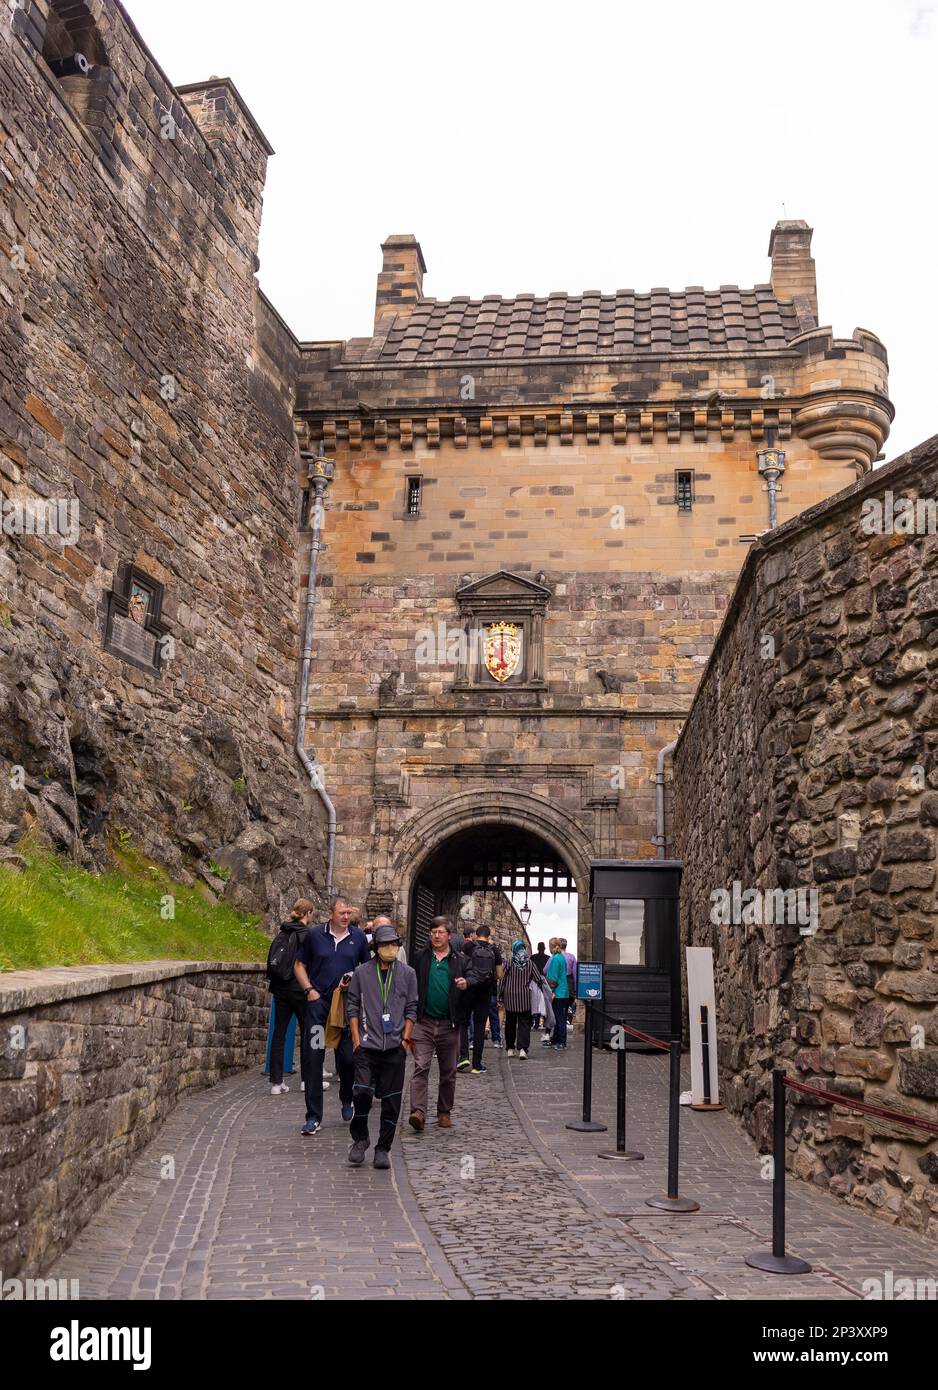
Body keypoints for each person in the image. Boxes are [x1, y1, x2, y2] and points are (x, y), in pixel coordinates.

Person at [293, 895, 370, 1136]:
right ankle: (313, 1117)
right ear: (331, 914)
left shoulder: (357, 937)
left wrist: (354, 982)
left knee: (347, 1059)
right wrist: (309, 990)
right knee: (314, 1058)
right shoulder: (314, 935)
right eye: (342, 913)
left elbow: (367, 968)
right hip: (319, 1006)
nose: (346, 917)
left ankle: (346, 1098)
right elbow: (298, 965)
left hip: (345, 1007)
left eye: (349, 913)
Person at [346, 922, 418, 1169]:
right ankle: (360, 1138)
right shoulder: (362, 973)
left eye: (394, 944)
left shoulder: (408, 974)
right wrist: (356, 1040)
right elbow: (352, 1005)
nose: (390, 948)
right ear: (376, 948)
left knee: (391, 1101)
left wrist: (405, 1039)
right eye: (385, 944)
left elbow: (412, 1007)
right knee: (362, 1092)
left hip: (394, 1047)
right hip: (367, 1045)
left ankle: (383, 1148)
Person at [408, 920, 468, 1130]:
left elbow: (473, 984)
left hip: (448, 1024)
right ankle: (418, 1112)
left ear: (449, 935)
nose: (436, 936)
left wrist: (465, 986)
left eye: (440, 932)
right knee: (421, 1066)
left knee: (448, 1071)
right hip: (423, 1022)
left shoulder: (460, 960)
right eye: (433, 932)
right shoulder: (420, 957)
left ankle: (444, 1112)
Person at [267, 899, 316, 1095]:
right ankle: (307, 1080)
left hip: (280, 989)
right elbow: (312, 963)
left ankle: (276, 1083)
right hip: (301, 990)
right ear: (308, 913)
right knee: (309, 1034)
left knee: (279, 1034)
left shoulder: (282, 933)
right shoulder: (308, 935)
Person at [458, 924, 503, 1073]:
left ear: (476, 935)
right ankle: (477, 1065)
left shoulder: (469, 946)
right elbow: (499, 974)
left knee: (463, 1023)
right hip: (485, 991)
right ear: (489, 936)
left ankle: (463, 1056)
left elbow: (460, 965)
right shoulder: (494, 950)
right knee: (479, 1026)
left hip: (469, 989)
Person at [498, 939, 548, 1059]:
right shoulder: (530, 963)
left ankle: (510, 1048)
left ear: (514, 949)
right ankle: (523, 1050)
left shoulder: (509, 962)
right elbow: (538, 978)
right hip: (524, 997)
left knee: (510, 1023)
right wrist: (545, 991)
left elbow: (503, 981)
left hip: (510, 997)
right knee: (524, 1024)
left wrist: (500, 996)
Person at [546, 939, 571, 1049]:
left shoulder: (555, 959)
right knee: (559, 1017)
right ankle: (556, 1039)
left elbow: (553, 979)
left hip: (558, 992)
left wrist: (550, 990)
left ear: (551, 947)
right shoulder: (561, 957)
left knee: (559, 1019)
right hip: (563, 991)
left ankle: (561, 1041)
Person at [530, 941, 549, 1026]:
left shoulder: (533, 957)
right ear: (544, 948)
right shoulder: (548, 958)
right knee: (545, 1000)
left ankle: (535, 1022)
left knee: (534, 1000)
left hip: (534, 980)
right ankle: (545, 1020)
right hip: (545, 980)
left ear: (537, 948)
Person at [560, 937, 577, 1022]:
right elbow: (575, 973)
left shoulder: (555, 957)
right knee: (565, 1008)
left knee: (557, 1010)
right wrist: (575, 989)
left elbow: (546, 970)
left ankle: (558, 1032)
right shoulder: (572, 957)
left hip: (558, 985)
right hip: (569, 985)